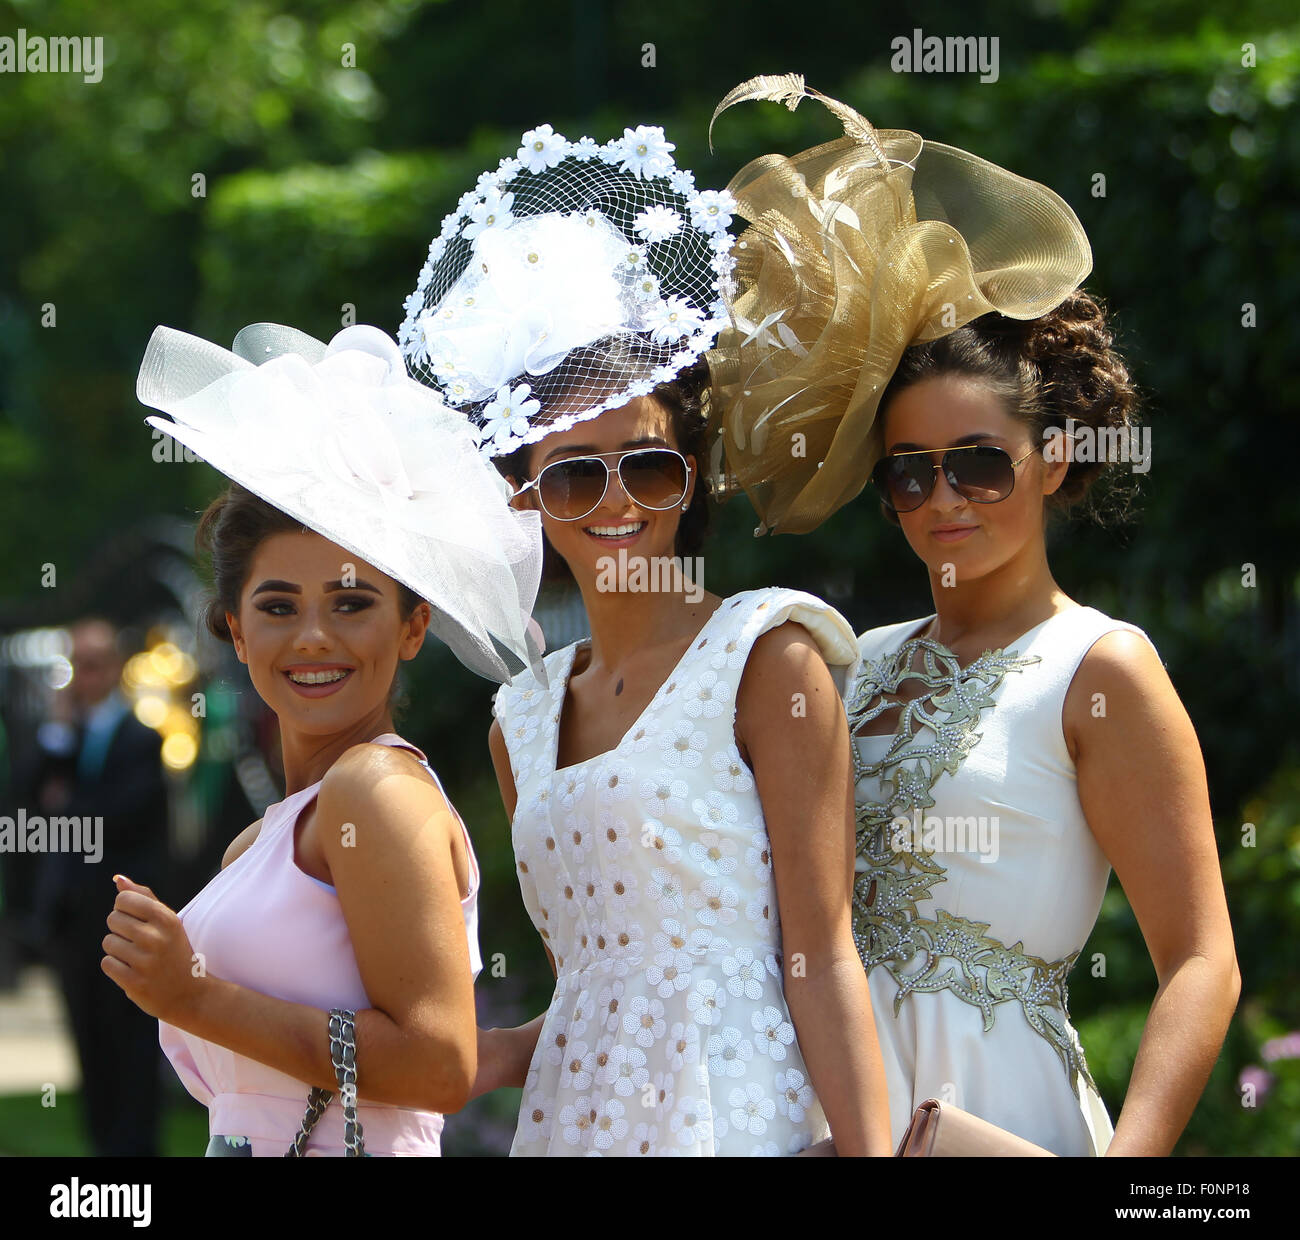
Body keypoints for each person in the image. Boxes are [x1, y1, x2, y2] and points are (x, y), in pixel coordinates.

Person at [706, 79, 1240, 1154]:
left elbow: (1202, 960)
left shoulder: (1099, 666)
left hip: (1002, 1114)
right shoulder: (848, 662)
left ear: (1055, 460)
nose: (943, 498)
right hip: (822, 1115)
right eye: (910, 472)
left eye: (979, 463)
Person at [399, 122, 892, 1155]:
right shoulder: (520, 715)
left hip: (739, 1113)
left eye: (649, 466)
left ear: (691, 475)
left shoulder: (768, 657)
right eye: (576, 474)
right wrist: (450, 1054)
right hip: (576, 1121)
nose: (617, 501)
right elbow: (594, 980)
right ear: (525, 498)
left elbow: (822, 952)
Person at [103, 322, 543, 1155]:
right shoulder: (255, 844)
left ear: (413, 626)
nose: (312, 636)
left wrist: (192, 995)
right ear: (237, 631)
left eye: (351, 603)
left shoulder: (377, 794)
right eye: (278, 606)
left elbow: (436, 1063)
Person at [26, 618, 168, 1155]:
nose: (85, 677)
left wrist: (67, 809)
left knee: (130, 1042)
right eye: (77, 665)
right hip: (71, 921)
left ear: (114, 667)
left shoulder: (141, 738)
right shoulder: (65, 737)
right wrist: (58, 733)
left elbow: (121, 816)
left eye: (94, 664)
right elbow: (27, 802)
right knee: (88, 1045)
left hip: (120, 921)